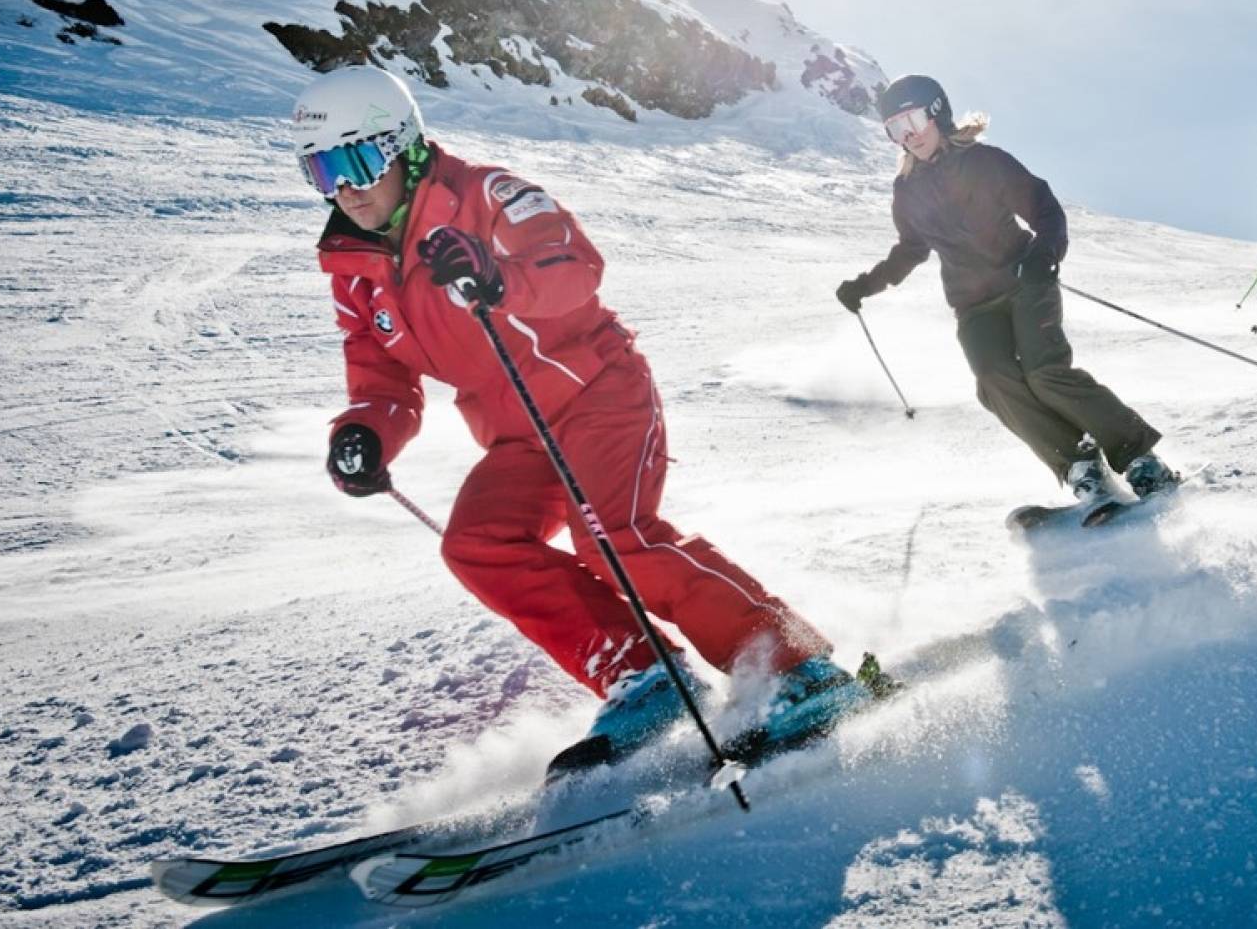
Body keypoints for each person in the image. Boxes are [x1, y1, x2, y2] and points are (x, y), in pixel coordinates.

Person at [293, 65, 866, 761]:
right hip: (517, 434)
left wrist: (499, 278)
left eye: (355, 160)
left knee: (613, 537)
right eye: (322, 172)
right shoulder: (354, 266)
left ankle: (800, 669)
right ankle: (646, 677)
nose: (344, 189)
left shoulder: (483, 196)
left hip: (600, 394)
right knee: (478, 542)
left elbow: (573, 265)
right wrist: (364, 431)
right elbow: (379, 369)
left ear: (405, 145)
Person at [835, 75, 1179, 502]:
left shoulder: (985, 162)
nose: (909, 135)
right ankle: (1078, 463)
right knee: (993, 380)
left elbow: (1044, 207)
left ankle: (1140, 456)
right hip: (973, 305)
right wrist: (865, 286)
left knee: (1044, 371)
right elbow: (910, 249)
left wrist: (1044, 254)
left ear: (938, 113)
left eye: (914, 120)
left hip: (1024, 281)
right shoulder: (907, 191)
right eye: (896, 129)